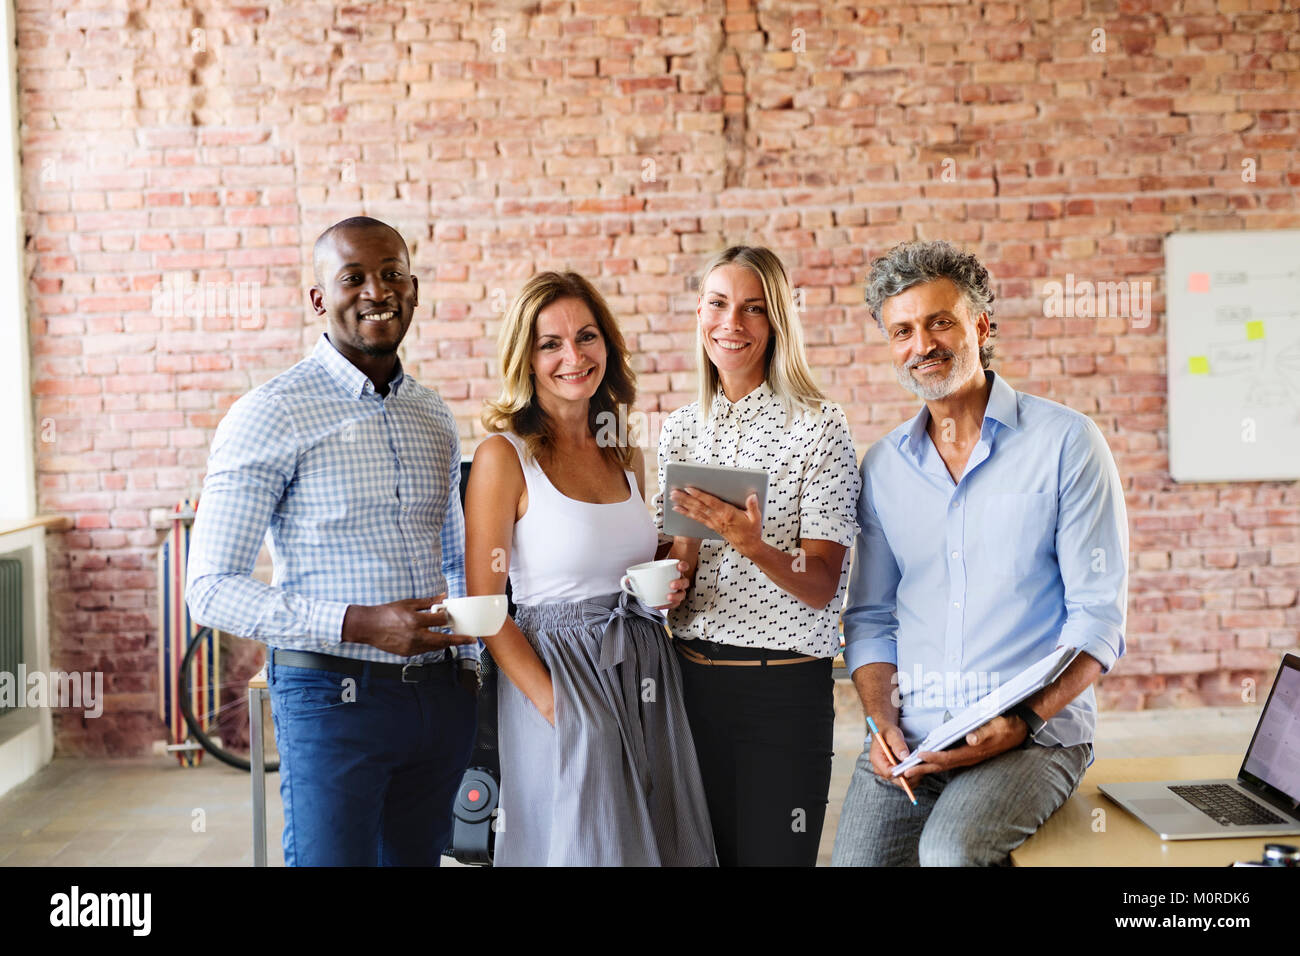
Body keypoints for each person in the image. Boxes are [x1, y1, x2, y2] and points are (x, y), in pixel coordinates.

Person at [186, 216, 479, 866]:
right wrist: (358, 623)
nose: (377, 290)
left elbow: (455, 556)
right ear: (321, 298)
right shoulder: (272, 411)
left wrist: (469, 669)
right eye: (354, 277)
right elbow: (206, 591)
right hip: (332, 700)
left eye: (392, 273)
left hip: (437, 698)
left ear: (414, 288)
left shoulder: (432, 414)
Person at [831, 239, 1129, 867]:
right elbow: (871, 619)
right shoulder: (884, 467)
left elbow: (1098, 619)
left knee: (950, 851)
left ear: (980, 326)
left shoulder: (1067, 443)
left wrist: (1023, 719)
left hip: (1032, 736)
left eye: (941, 322)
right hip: (913, 735)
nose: (923, 345)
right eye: (903, 331)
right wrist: (880, 721)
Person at [465, 271, 716, 866]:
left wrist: (683, 552)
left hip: (644, 666)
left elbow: (633, 574)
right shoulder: (504, 456)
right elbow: (483, 607)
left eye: (586, 336)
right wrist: (560, 708)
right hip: (556, 671)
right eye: (549, 343)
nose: (572, 356)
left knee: (659, 842)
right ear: (524, 357)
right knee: (587, 846)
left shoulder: (622, 448)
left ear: (607, 344)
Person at [654, 245, 860, 867]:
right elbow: (678, 569)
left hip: (783, 696)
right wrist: (675, 572)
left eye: (753, 308)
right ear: (700, 314)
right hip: (689, 688)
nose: (732, 324)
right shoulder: (681, 428)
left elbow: (823, 585)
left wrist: (752, 544)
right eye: (718, 305)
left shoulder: (821, 427)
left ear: (776, 322)